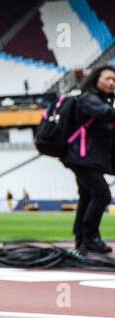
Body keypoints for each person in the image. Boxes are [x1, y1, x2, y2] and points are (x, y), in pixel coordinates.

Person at [60, 65, 115, 254]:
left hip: (89, 157)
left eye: (114, 80)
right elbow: (105, 114)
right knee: (102, 195)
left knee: (88, 195)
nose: (111, 83)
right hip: (82, 156)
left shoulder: (99, 100)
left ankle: (82, 238)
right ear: (96, 79)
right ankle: (90, 237)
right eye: (108, 78)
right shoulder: (87, 98)